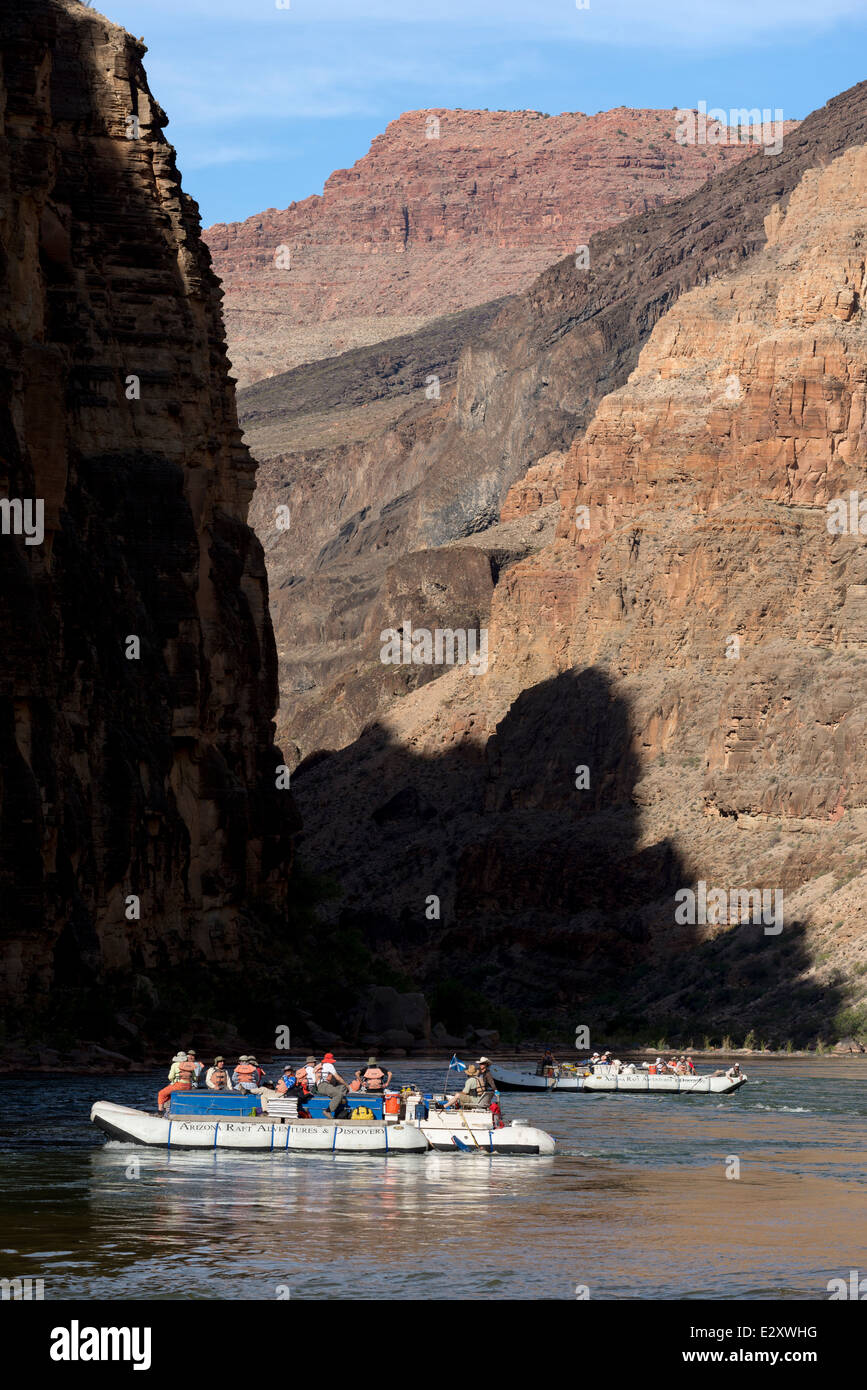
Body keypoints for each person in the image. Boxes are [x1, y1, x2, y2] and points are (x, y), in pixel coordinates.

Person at [316, 1052, 350, 1117]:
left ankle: (339, 1100)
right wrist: (347, 1085)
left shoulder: (320, 1065)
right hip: (323, 1085)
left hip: (321, 1085)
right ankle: (327, 1111)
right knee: (339, 1094)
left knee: (342, 1087)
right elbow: (338, 1078)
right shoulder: (329, 1065)